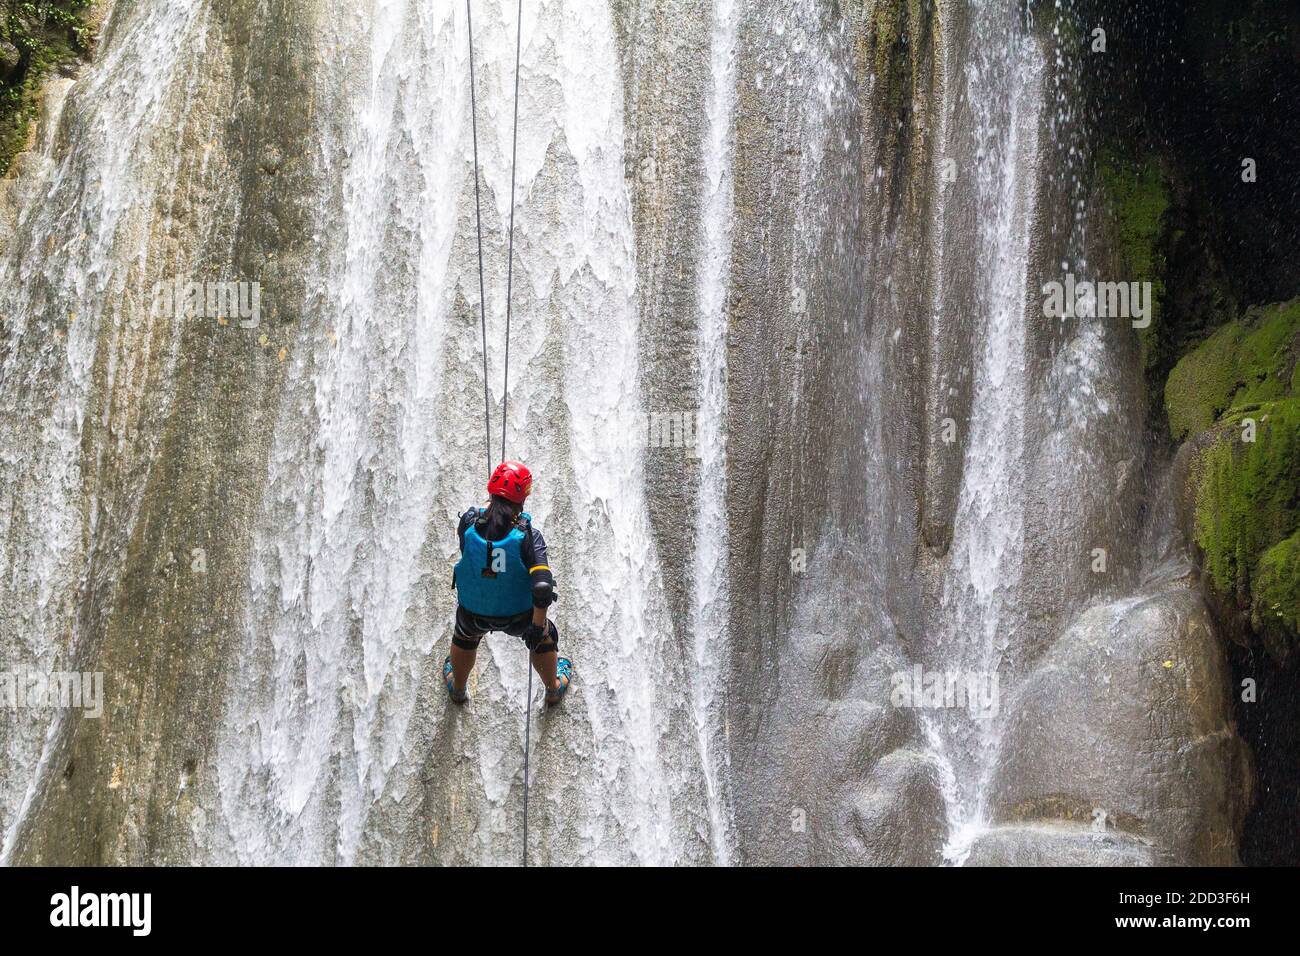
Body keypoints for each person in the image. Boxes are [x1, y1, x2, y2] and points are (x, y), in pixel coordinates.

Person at [444, 460, 572, 706]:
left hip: (473, 613)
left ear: (490, 493)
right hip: (520, 617)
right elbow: (542, 586)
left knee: (463, 634)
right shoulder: (528, 536)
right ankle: (553, 689)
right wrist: (536, 626)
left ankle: (457, 689)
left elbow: (470, 550)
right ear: (522, 500)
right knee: (546, 635)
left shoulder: (468, 523)